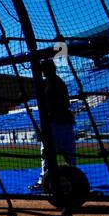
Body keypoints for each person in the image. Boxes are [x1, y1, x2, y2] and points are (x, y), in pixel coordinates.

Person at [30, 58, 76, 191]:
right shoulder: (59, 82)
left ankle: (44, 180)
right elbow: (66, 103)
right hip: (65, 122)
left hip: (54, 124)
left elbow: (48, 105)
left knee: (47, 153)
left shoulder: (48, 84)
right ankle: (72, 178)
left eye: (43, 69)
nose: (42, 72)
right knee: (69, 154)